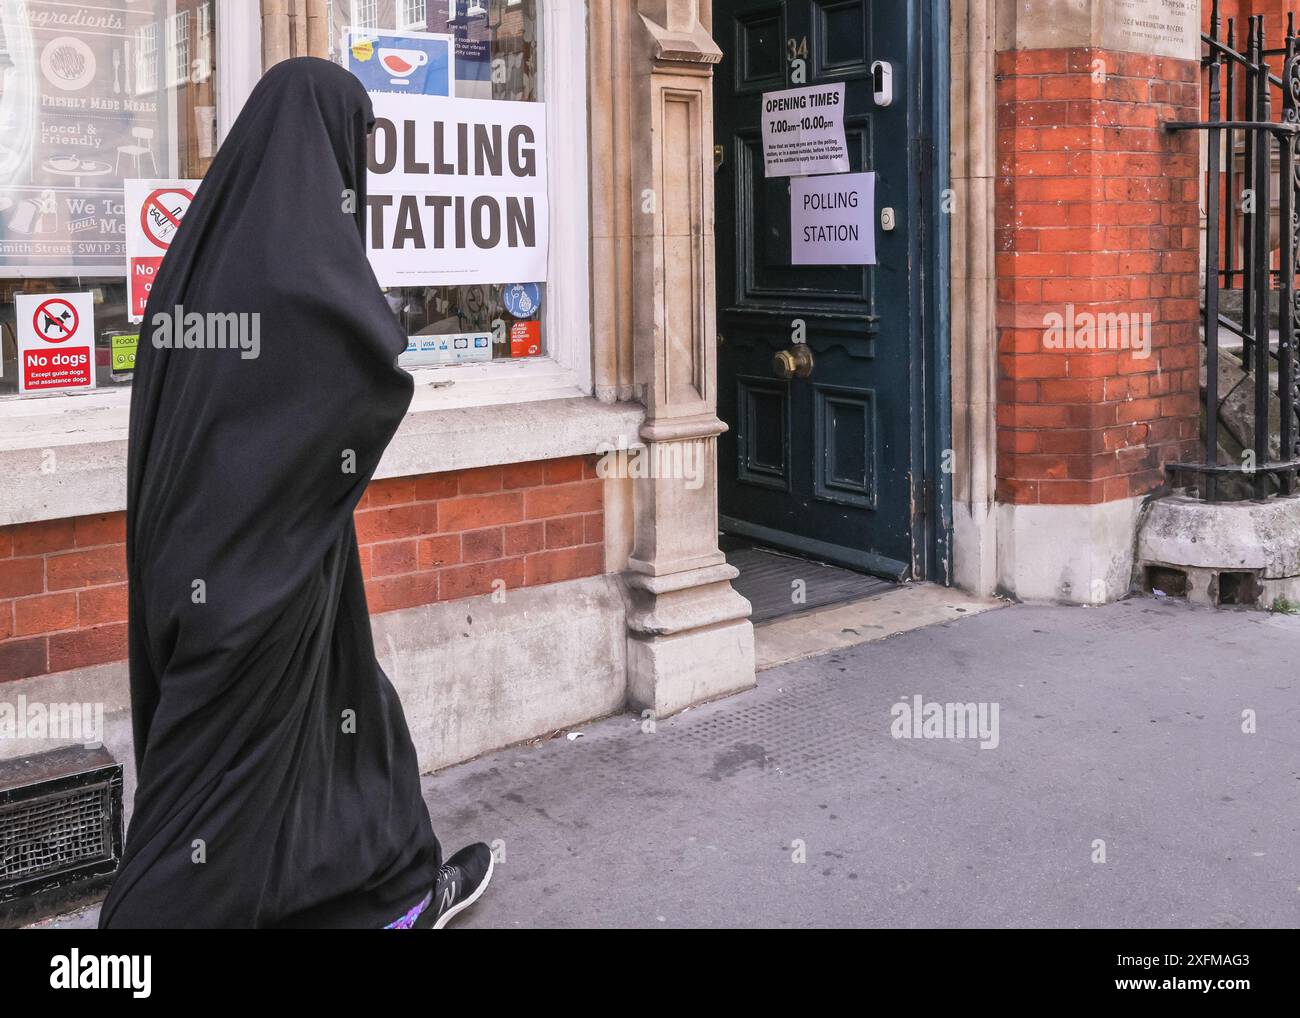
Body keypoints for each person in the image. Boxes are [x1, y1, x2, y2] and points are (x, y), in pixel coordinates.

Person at [97, 57, 492, 930]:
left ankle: (390, 892)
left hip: (230, 553)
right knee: (212, 797)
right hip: (251, 579)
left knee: (349, 722)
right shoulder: (293, 268)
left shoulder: (201, 254)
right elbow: (365, 359)